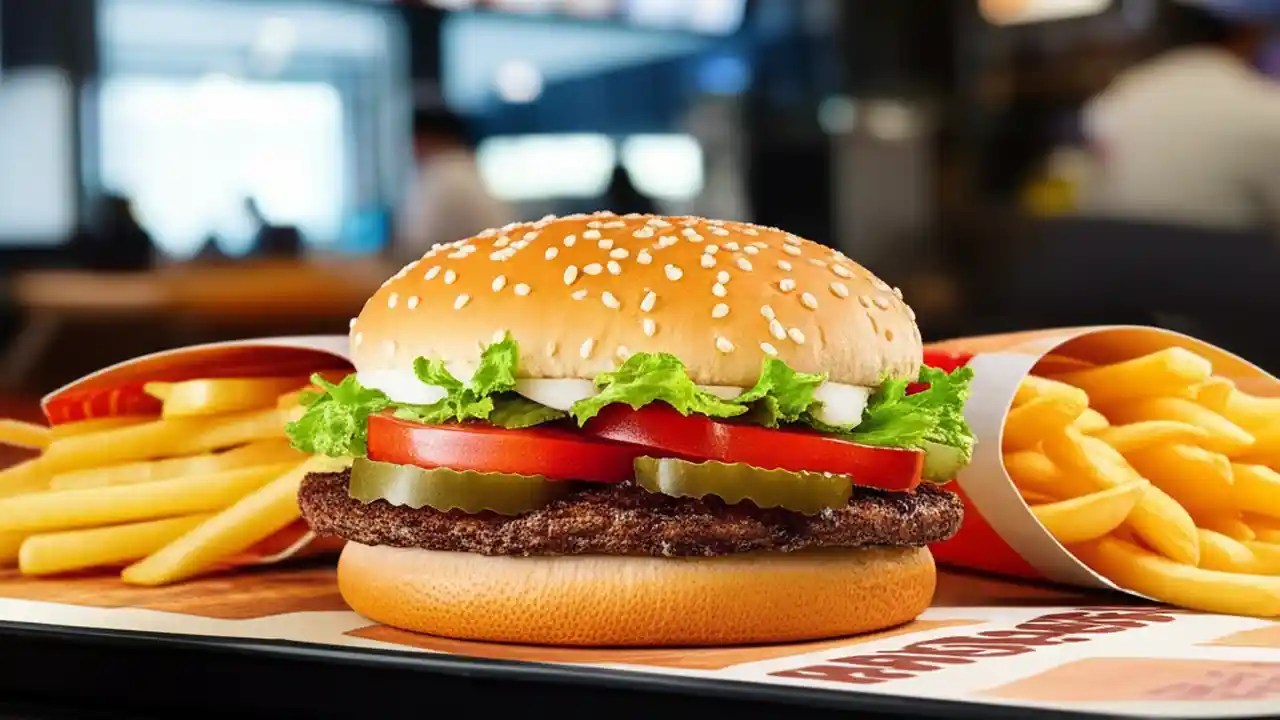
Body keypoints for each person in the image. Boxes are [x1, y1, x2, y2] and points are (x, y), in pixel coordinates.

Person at [1080, 2, 1280, 235]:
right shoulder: (1263, 107)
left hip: (1122, 261)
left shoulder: (1116, 100)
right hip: (1228, 262)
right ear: (1246, 34)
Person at [392, 107, 515, 265]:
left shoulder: (442, 175)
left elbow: (414, 248)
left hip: (470, 272)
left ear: (426, 138)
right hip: (493, 266)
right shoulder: (464, 167)